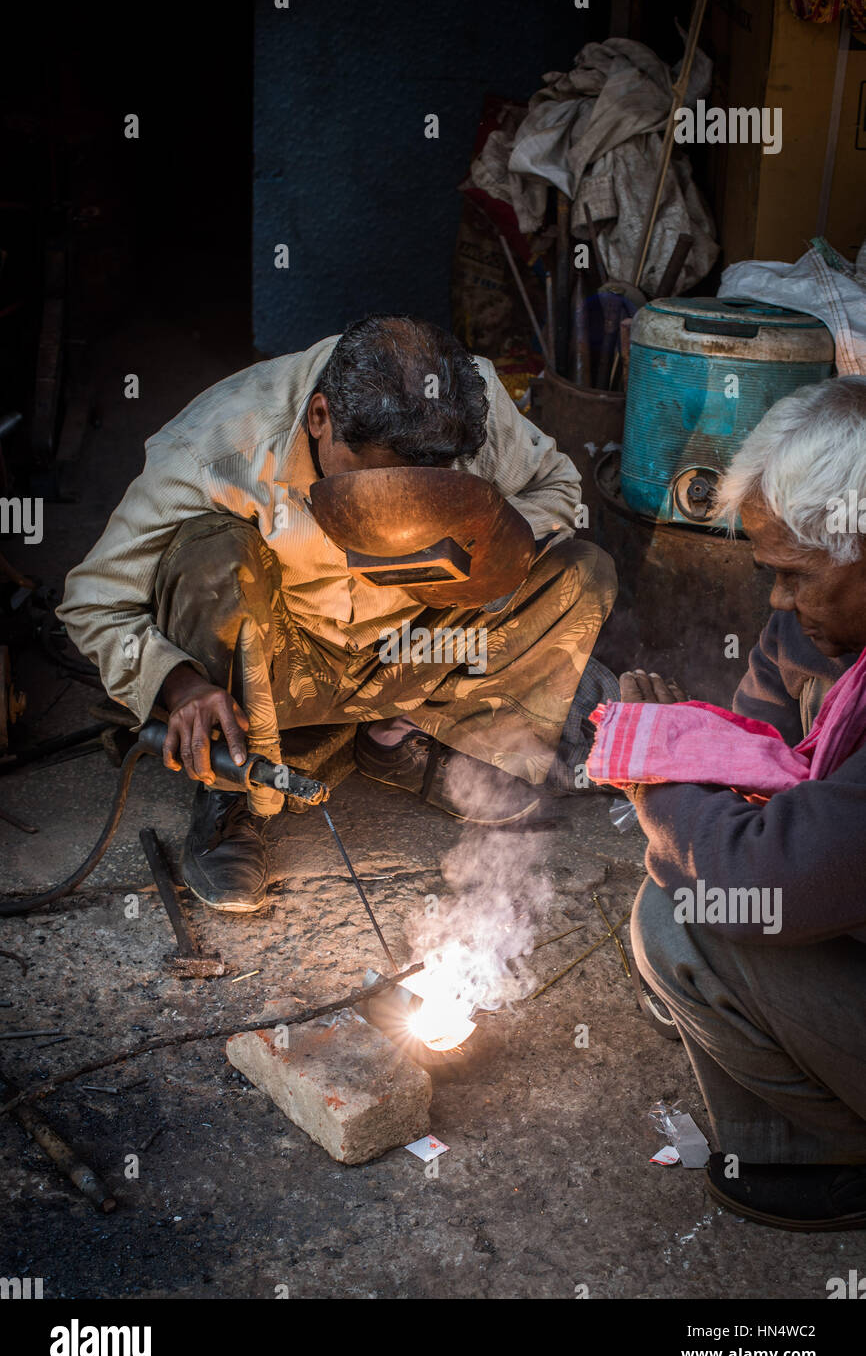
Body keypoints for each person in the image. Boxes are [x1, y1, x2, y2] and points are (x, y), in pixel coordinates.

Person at [58, 315, 618, 912]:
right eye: (372, 479)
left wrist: (475, 546)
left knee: (582, 574)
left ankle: (405, 738)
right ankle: (234, 795)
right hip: (279, 671)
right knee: (212, 558)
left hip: (413, 652)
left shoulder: (464, 405)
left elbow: (557, 488)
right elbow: (93, 601)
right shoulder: (218, 448)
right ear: (321, 417)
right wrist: (181, 683)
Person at [622, 375, 866, 1231]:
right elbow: (754, 745)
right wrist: (695, 752)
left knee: (683, 919)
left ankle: (832, 1153)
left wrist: (658, 769)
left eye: (795, 576)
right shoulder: (822, 622)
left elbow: (763, 873)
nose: (777, 603)